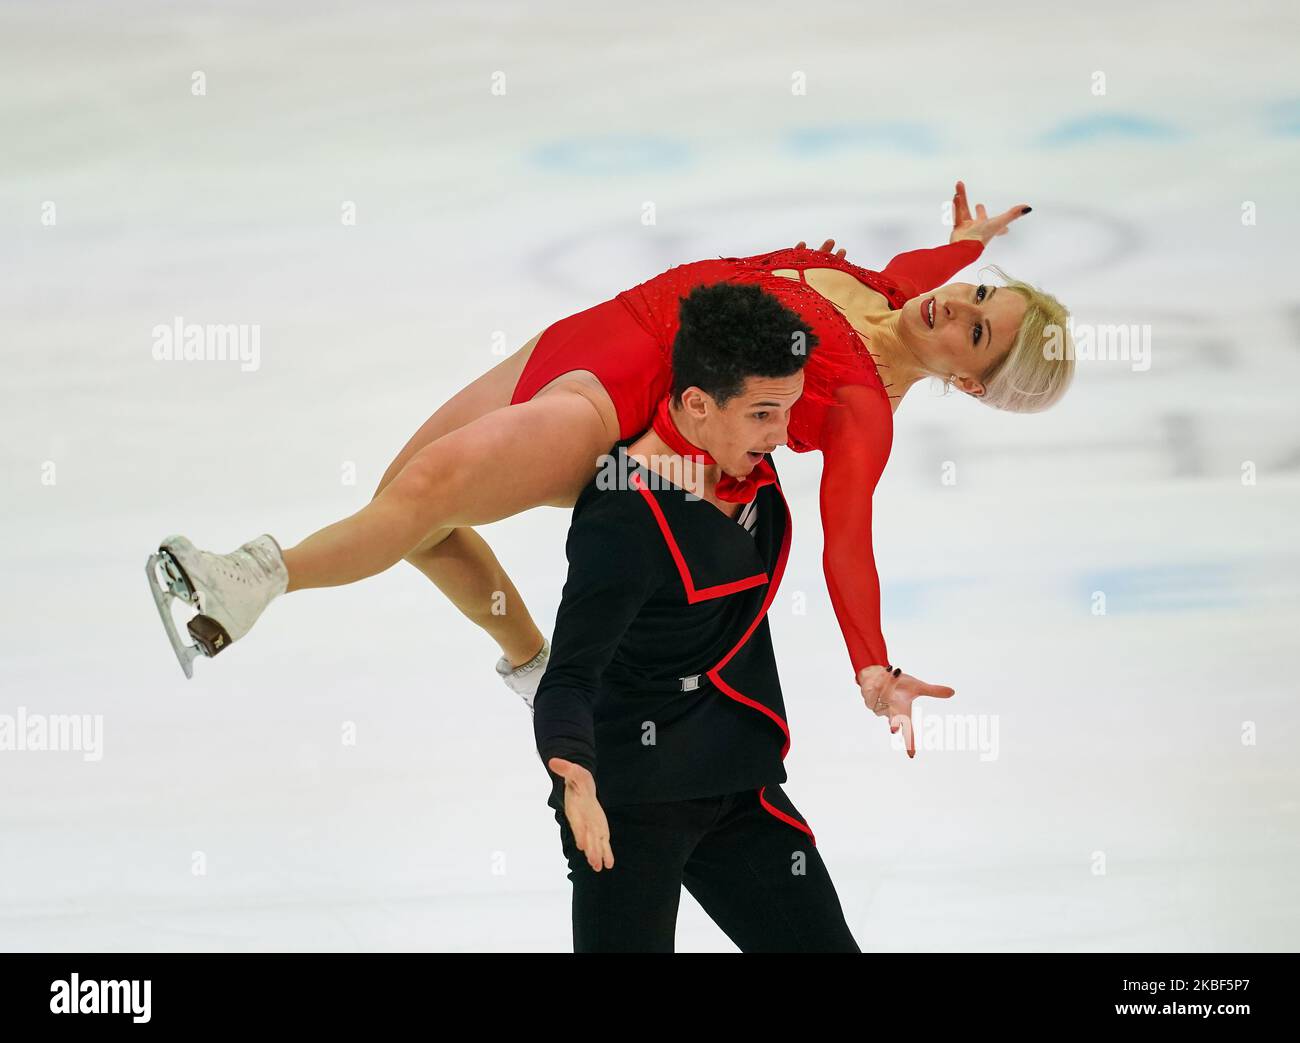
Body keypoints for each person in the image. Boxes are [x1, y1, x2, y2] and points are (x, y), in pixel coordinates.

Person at [146, 182, 1072, 738]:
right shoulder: (896, 288)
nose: (956, 307)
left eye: (978, 329)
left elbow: (848, 540)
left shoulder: (864, 406)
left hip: (610, 404)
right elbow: (926, 263)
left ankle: (250, 578)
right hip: (586, 332)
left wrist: (872, 666)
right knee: (411, 513)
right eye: (975, 294)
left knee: (423, 496)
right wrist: (975, 242)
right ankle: (539, 675)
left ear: (976, 384)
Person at [534, 281, 880, 951]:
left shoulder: (741, 458)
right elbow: (570, 675)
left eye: (789, 407)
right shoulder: (624, 519)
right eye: (762, 413)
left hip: (735, 777)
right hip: (628, 800)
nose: (783, 433)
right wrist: (573, 774)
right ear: (696, 403)